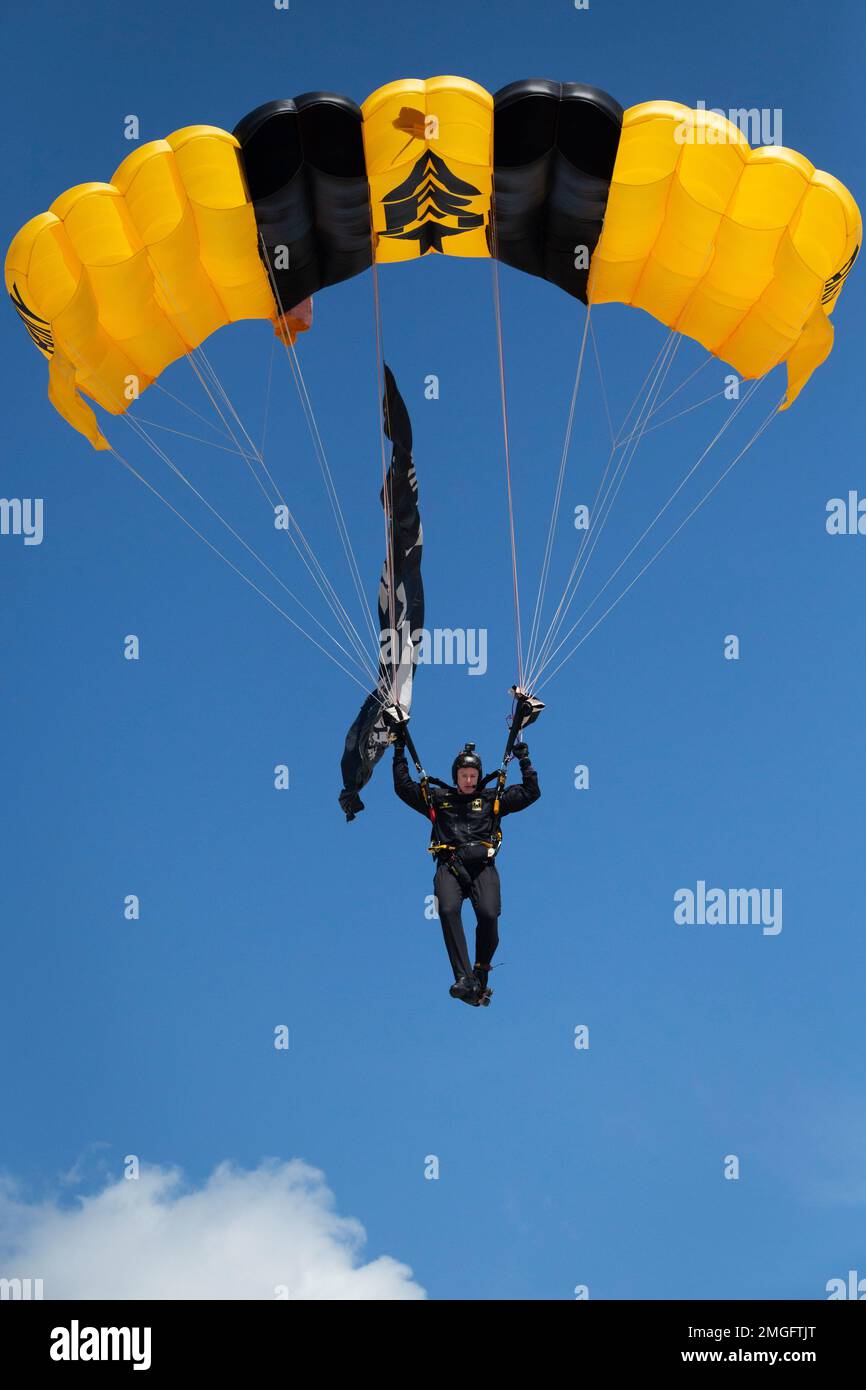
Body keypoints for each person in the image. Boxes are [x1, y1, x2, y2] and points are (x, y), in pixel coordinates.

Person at [392, 734, 540, 1006]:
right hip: (450, 866)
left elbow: (532, 793)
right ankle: (464, 978)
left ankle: (480, 970)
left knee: (488, 912)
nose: (469, 780)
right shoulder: (438, 799)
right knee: (447, 909)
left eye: (473, 775)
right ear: (456, 776)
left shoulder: (491, 799)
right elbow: (403, 788)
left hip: (483, 866)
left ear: (478, 776)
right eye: (464, 775)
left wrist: (524, 760)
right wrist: (399, 748)